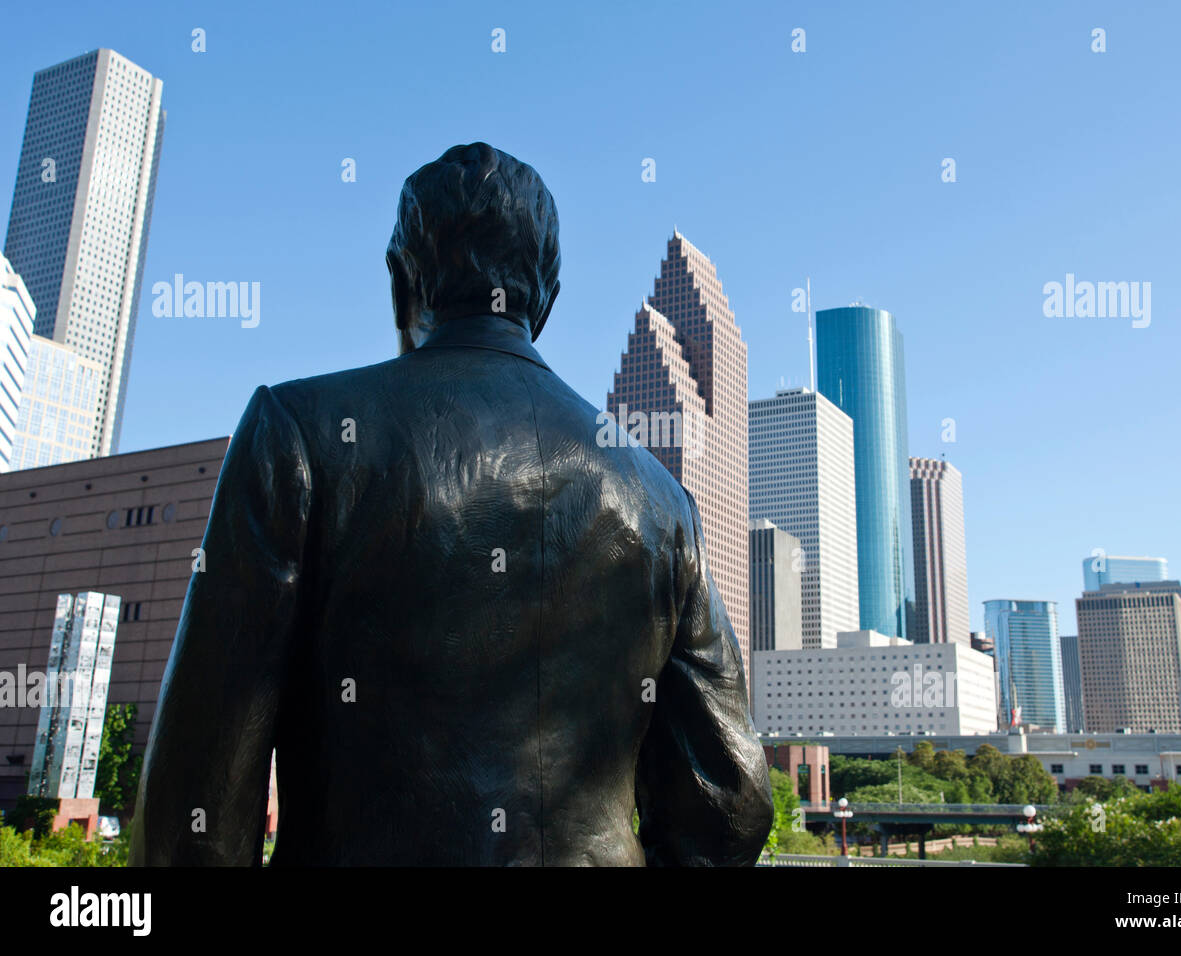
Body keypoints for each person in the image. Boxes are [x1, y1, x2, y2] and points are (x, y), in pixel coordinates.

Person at [129, 143, 773, 866]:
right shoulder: (661, 501)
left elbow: (196, 810)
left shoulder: (298, 434)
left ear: (403, 283)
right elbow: (732, 804)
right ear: (546, 300)